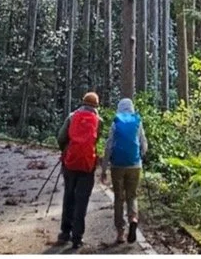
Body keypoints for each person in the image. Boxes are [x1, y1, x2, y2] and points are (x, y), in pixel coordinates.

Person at [56, 91, 102, 250]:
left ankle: (64, 232)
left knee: (69, 196)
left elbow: (61, 137)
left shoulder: (72, 116)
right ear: (96, 105)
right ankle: (77, 238)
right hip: (87, 165)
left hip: (70, 163)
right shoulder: (98, 120)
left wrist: (65, 150)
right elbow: (96, 140)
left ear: (82, 102)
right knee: (82, 201)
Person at [100, 97, 148, 245]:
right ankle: (133, 218)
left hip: (117, 166)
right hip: (135, 165)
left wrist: (104, 168)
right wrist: (141, 156)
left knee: (119, 199)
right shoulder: (137, 121)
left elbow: (109, 145)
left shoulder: (116, 121)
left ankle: (121, 233)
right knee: (132, 196)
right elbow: (143, 143)